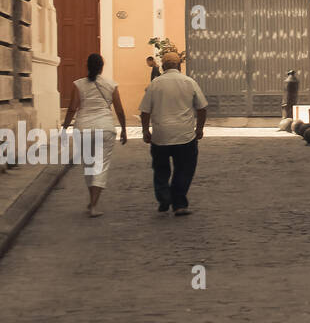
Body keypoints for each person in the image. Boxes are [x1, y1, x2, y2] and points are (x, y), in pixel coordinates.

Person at [139, 51, 207, 216]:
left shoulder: (155, 84)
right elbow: (202, 108)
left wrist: (146, 130)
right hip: (184, 135)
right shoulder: (189, 82)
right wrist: (199, 129)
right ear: (179, 65)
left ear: (163, 66)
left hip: (161, 135)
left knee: (161, 169)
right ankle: (179, 204)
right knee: (184, 169)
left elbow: (145, 111)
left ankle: (164, 197)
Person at [61, 54, 128, 218]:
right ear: (101, 67)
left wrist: (64, 128)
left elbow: (72, 109)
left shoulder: (78, 84)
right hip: (105, 129)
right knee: (101, 166)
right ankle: (94, 205)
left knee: (89, 166)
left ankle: (92, 202)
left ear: (87, 66)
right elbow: (119, 110)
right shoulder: (111, 85)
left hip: (83, 129)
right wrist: (124, 129)